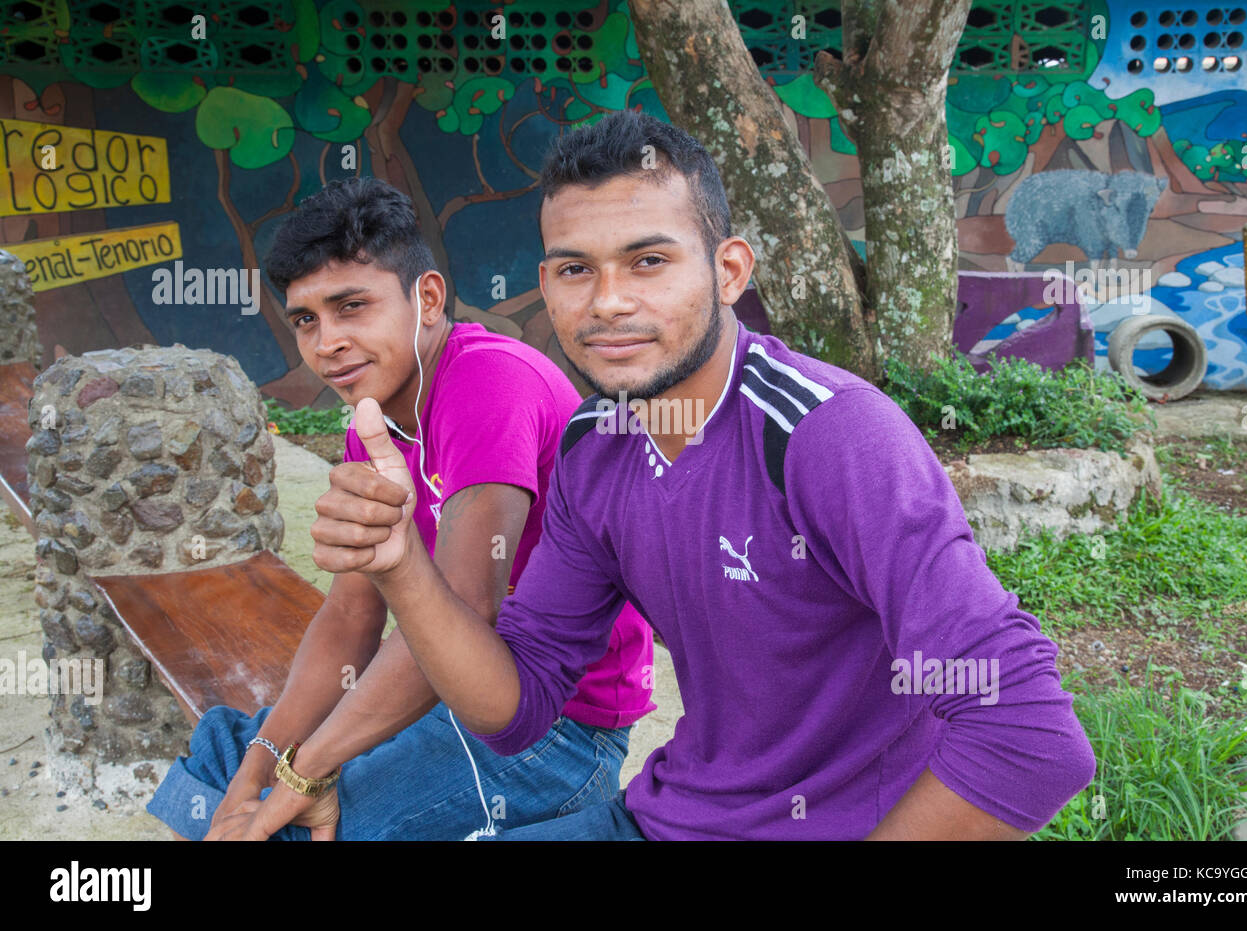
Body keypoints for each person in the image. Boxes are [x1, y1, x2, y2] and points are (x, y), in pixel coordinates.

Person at [307, 110, 1097, 840]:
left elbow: (1029, 733)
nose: (609, 301)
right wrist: (401, 565)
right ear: (547, 287)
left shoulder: (828, 436)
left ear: (728, 271)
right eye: (576, 269)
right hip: (668, 816)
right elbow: (513, 708)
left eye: (648, 260)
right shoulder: (598, 445)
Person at [145, 177, 655, 841]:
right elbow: (352, 611)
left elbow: (470, 607)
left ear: (429, 299)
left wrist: (306, 773)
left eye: (351, 306)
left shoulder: (489, 382)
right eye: (307, 320)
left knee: (310, 827)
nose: (326, 342)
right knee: (223, 753)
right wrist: (260, 767)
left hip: (554, 731)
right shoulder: (373, 420)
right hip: (441, 693)